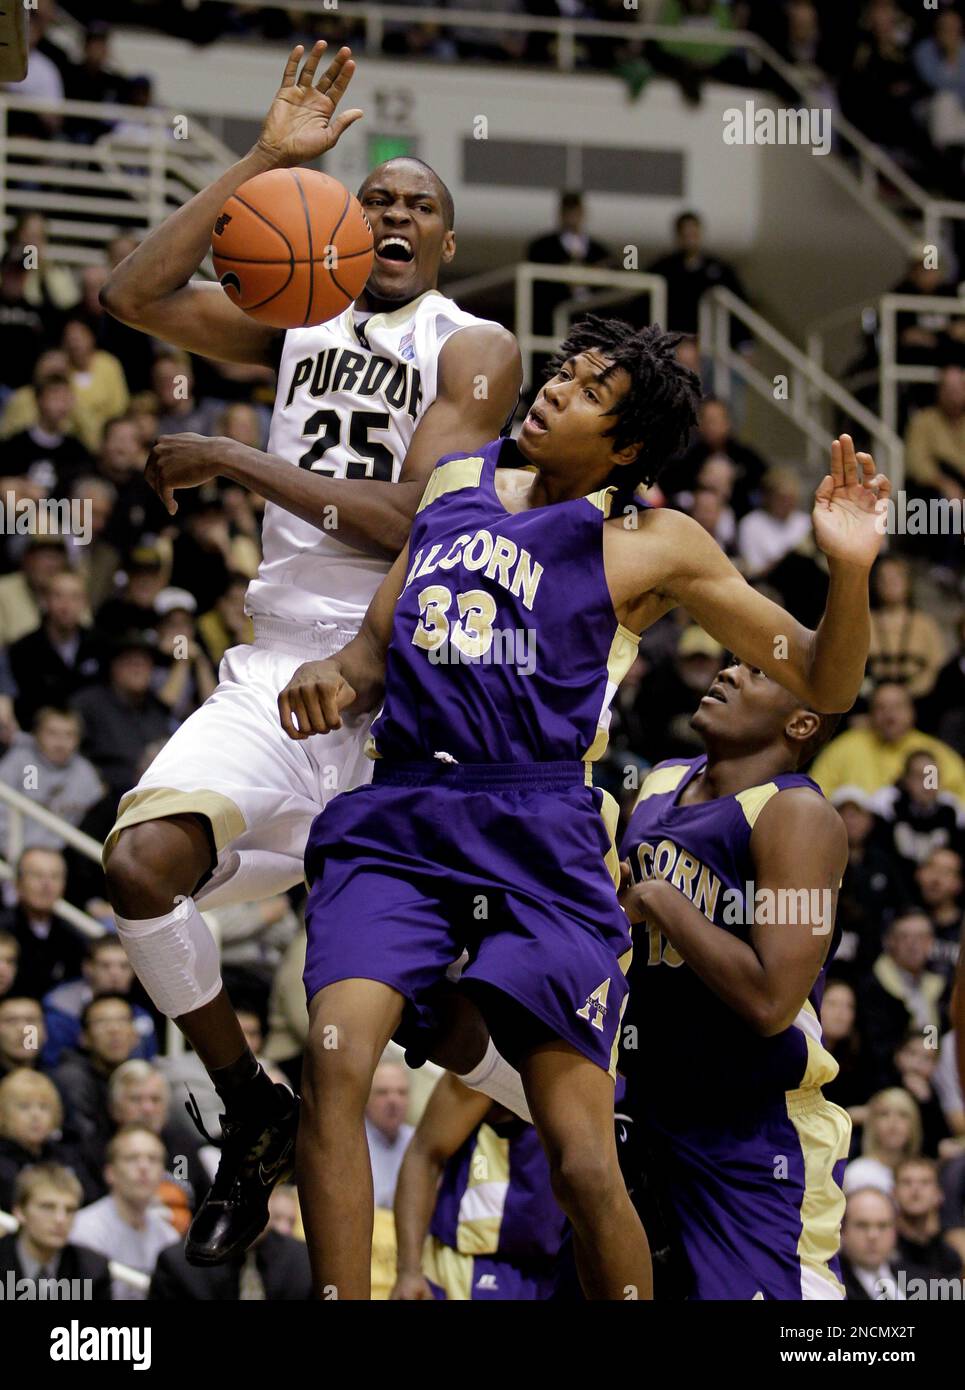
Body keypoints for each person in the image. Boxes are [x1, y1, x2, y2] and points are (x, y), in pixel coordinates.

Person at [279, 305, 889, 1299]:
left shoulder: (655, 544)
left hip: (538, 832)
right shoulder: (450, 484)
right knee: (333, 1061)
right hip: (402, 811)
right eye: (560, 372)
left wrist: (848, 569)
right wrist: (332, 676)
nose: (555, 389)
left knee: (577, 1150)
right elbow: (367, 651)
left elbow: (822, 682)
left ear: (627, 444)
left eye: (589, 392)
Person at [98, 41, 521, 1268]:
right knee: (138, 865)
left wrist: (237, 460)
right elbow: (131, 295)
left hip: (405, 691)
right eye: (374, 195)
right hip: (276, 667)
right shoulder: (297, 314)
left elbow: (412, 518)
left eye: (418, 205)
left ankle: (597, 1119)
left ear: (443, 243)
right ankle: (246, 1103)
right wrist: (262, 163)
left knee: (432, 1019)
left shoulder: (470, 343)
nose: (392, 212)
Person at [616, 658, 850, 1300]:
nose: (728, 671)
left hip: (753, 1138)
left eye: (757, 672)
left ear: (802, 722)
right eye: (733, 661)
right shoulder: (660, 780)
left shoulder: (798, 816)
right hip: (644, 1109)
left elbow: (773, 1000)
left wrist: (664, 901)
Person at [391, 1072, 565, 1301]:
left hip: (555, 1268)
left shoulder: (603, 1068)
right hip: (477, 1265)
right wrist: (409, 1271)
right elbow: (424, 1155)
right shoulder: (496, 1059)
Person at [70, 1124, 179, 1299]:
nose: (144, 1167)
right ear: (110, 1173)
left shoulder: (168, 1236)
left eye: (153, 1159)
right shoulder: (83, 1229)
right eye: (132, 1158)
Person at [149, 1185, 312, 1300]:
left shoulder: (303, 1260)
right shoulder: (178, 1264)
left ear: (273, 1200)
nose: (249, 1211)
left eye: (259, 1196)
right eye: (237, 1198)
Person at [812, 682, 965, 803]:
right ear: (871, 714)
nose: (890, 716)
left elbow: (959, 797)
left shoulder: (932, 752)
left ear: (912, 712)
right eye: (881, 708)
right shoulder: (845, 748)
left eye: (898, 707)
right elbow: (814, 795)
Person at [857, 915, 947, 1090]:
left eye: (921, 937)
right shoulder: (873, 986)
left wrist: (926, 1061)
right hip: (883, 1082)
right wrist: (903, 1074)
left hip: (931, 1078)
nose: (913, 944)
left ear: (931, 942)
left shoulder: (938, 986)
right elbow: (874, 1048)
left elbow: (933, 1035)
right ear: (890, 942)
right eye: (905, 937)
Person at [0, 708, 104, 857]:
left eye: (69, 735)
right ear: (36, 734)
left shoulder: (86, 773)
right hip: (15, 855)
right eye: (52, 733)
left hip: (67, 861)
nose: (61, 743)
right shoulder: (18, 762)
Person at [42, 937, 158, 1069]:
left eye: (124, 966)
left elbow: (148, 1063)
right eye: (105, 966)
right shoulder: (60, 1009)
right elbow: (53, 1063)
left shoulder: (142, 1016)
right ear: (88, 968)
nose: (115, 974)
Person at [0, 1164, 111, 1300]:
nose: (60, 1219)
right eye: (47, 1207)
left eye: (69, 1210)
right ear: (20, 1212)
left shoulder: (91, 1269)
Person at [8, 573, 104, 728]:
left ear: (84, 602)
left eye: (75, 597)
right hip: (37, 736)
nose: (66, 605)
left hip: (91, 736)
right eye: (58, 596)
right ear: (44, 601)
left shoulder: (100, 645)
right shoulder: (23, 650)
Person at [53, 994, 141, 1148]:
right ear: (84, 1038)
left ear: (135, 1035)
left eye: (122, 1020)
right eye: (102, 1022)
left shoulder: (143, 1077)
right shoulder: (72, 1078)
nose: (114, 1030)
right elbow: (85, 1142)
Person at [0, 848, 85, 999]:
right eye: (37, 875)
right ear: (17, 882)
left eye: (55, 876)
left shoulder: (74, 937)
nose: (47, 884)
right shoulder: (3, 929)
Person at [866, 556, 946, 698]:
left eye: (896, 577)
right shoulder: (865, 623)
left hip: (919, 699)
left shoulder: (925, 624)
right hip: (871, 697)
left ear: (908, 582)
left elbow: (938, 667)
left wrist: (909, 693)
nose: (890, 583)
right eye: (883, 578)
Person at [893, 1156, 963, 1287]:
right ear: (894, 1192)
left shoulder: (950, 1257)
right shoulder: (884, 1251)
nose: (915, 1190)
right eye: (906, 1182)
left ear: (939, 1194)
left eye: (925, 1182)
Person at [839, 1187, 905, 1300]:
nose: (872, 1235)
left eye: (883, 1225)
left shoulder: (922, 1280)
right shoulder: (830, 1287)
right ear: (843, 1231)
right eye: (862, 1225)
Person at [365, 1060, 414, 1210]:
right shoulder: (349, 1140)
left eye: (401, 1092)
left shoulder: (418, 1142)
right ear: (365, 1097)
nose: (393, 1101)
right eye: (382, 1092)